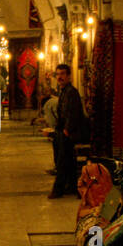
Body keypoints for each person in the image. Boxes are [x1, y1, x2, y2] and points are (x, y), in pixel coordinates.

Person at [48, 63, 87, 198]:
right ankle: (71, 186)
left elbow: (73, 113)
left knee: (62, 159)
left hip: (72, 133)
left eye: (63, 74)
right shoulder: (64, 91)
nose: (60, 77)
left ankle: (58, 189)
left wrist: (67, 130)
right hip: (64, 131)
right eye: (58, 74)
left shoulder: (72, 92)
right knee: (66, 158)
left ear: (69, 76)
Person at [41, 92, 60, 175]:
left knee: (56, 142)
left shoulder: (47, 106)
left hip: (66, 131)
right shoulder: (57, 100)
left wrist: (49, 133)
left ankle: (58, 167)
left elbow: (52, 123)